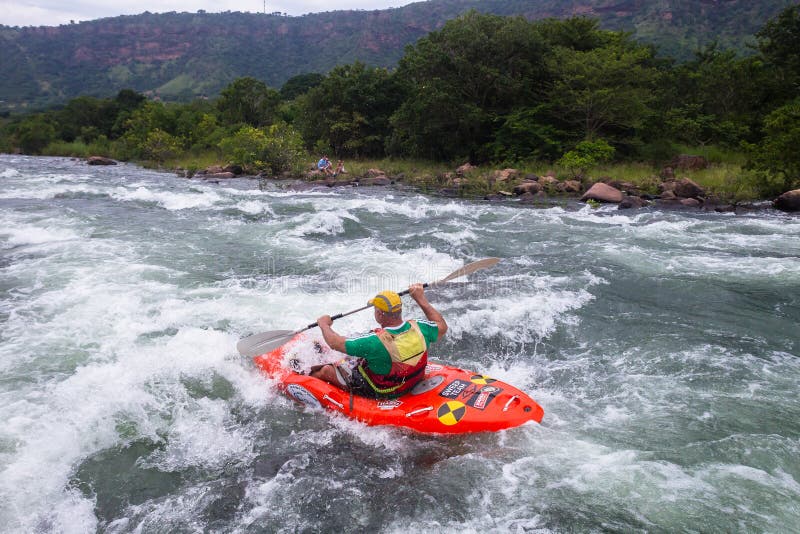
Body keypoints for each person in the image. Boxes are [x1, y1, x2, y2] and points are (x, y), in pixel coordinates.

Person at [311, 284, 447, 398]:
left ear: (380, 314)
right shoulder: (420, 327)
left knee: (327, 370)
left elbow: (335, 343)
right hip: (413, 380)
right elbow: (441, 325)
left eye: (375, 309)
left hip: (383, 391)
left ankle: (305, 377)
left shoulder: (375, 341)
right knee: (359, 349)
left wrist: (324, 324)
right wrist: (420, 298)